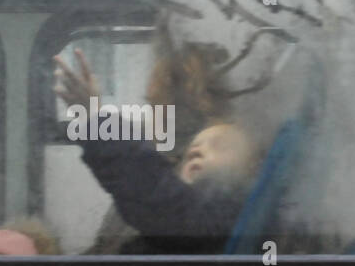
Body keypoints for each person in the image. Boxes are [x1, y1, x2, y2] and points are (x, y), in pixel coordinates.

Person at [55, 49, 263, 254]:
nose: (155, 117)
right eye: (153, 105)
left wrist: (96, 120)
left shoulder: (223, 205)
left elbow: (167, 204)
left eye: (165, 106)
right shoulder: (151, 187)